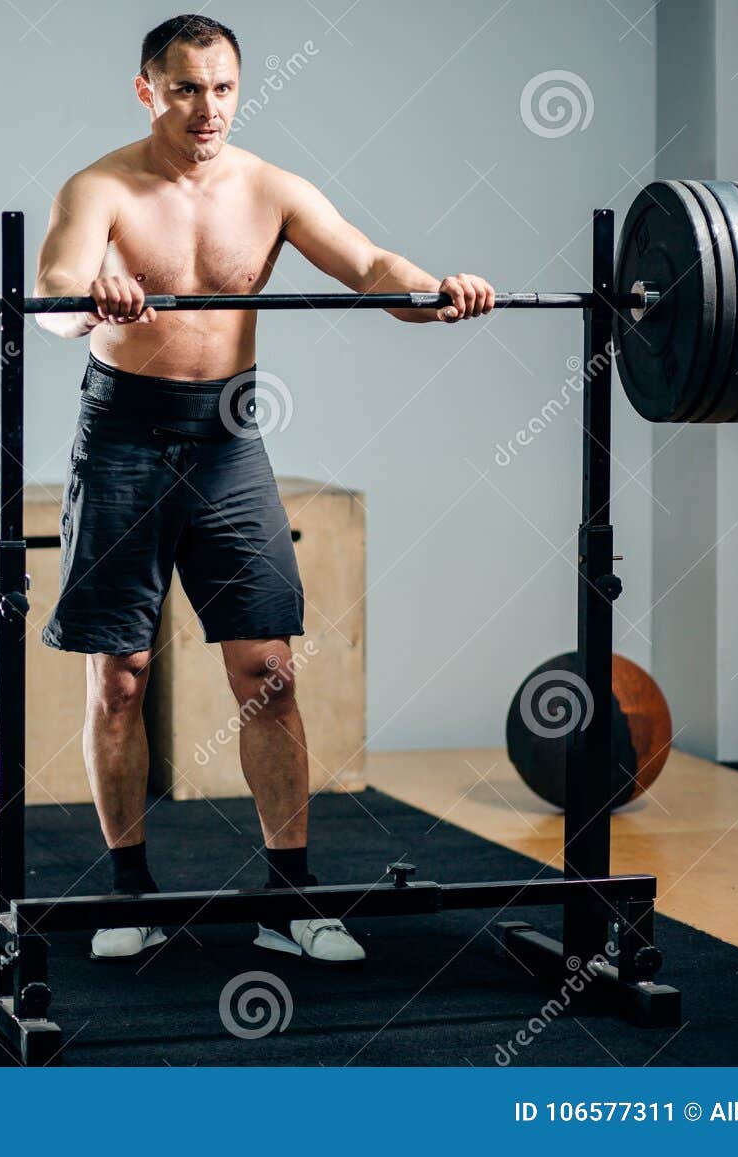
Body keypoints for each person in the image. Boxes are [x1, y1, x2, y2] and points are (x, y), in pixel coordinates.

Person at [35, 14, 494, 962]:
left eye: (224, 89)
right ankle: (130, 896)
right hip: (123, 433)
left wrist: (437, 289)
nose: (208, 109)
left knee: (269, 673)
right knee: (120, 679)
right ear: (146, 89)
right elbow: (52, 290)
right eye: (187, 89)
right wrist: (89, 306)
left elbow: (370, 267)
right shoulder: (100, 186)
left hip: (228, 441)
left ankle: (290, 902)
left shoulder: (272, 188)